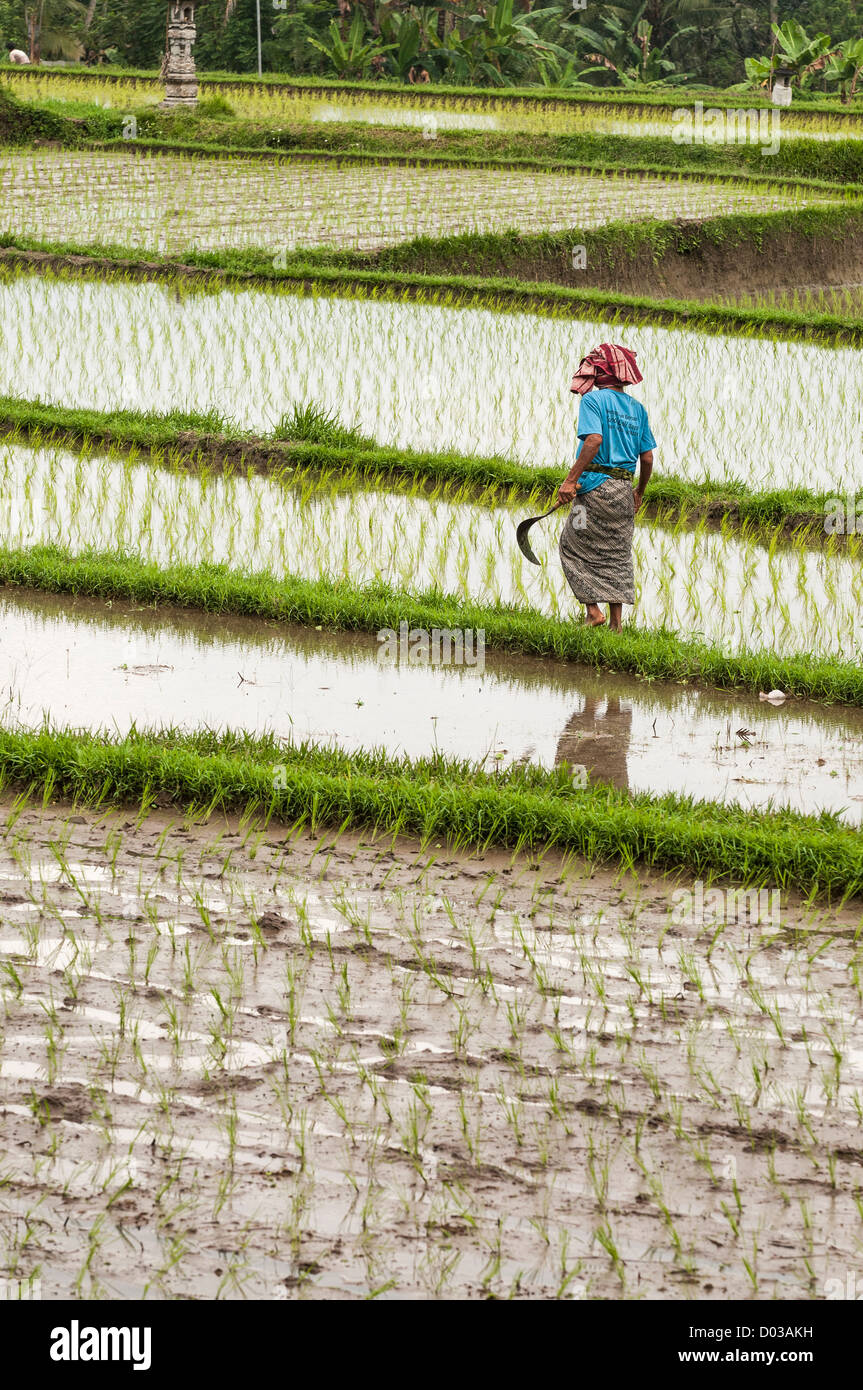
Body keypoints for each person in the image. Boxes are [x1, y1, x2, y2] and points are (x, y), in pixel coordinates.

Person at [558, 343, 655, 632]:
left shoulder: (593, 401)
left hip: (593, 492)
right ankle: (616, 624)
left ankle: (592, 612)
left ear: (603, 373)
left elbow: (593, 441)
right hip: (624, 493)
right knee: (617, 554)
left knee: (570, 546)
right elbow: (647, 457)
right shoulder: (638, 410)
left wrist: (570, 480)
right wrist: (639, 492)